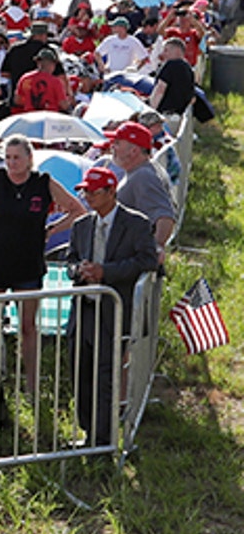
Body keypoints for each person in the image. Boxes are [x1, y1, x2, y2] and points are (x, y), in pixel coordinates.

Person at [0, 134, 85, 391]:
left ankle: (31, 383)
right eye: (8, 158)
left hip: (28, 262)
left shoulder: (43, 182)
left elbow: (77, 209)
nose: (12, 163)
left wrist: (51, 230)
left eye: (17, 158)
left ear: (29, 159)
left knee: (28, 327)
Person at [66, 167, 160, 448]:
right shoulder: (81, 225)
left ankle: (103, 440)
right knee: (80, 372)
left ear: (111, 192)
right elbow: (70, 260)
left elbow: (148, 260)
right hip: (84, 310)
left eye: (93, 192)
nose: (88, 197)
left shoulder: (136, 223)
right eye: (85, 192)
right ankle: (89, 433)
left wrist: (106, 272)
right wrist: (79, 270)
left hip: (114, 311)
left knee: (106, 375)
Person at [101, 121, 177, 251]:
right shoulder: (140, 171)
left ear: (134, 151)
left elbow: (165, 216)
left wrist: (155, 249)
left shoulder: (144, 175)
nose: (112, 147)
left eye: (117, 143)